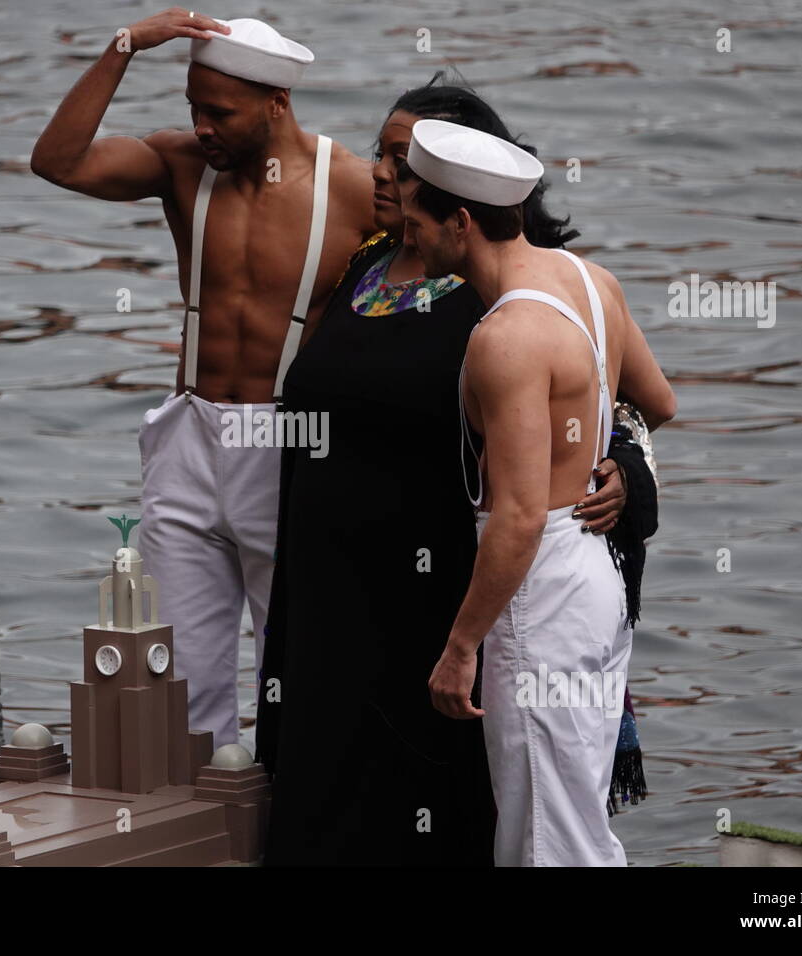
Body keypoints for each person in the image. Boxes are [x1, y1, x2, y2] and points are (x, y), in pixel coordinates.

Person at [254, 78, 630, 866]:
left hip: (456, 589)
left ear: (459, 210)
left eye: (405, 164)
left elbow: (607, 402)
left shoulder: (512, 299)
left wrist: (624, 466)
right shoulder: (363, 263)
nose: (385, 176)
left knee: (513, 816)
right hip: (337, 596)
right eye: (383, 155)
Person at [30, 10, 376, 748]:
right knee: (178, 674)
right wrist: (124, 46)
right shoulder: (181, 164)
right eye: (193, 106)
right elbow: (57, 162)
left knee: (298, 666)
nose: (202, 125)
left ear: (276, 104)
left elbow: (466, 274)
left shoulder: (353, 189)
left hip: (290, 442)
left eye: (219, 111)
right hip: (188, 434)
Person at [405, 119, 677, 866]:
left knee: (546, 837)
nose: (412, 242)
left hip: (541, 588)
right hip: (599, 575)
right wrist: (615, 456)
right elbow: (659, 400)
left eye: (418, 225)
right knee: (575, 816)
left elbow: (519, 516)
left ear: (461, 222)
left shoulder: (507, 336)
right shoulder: (592, 282)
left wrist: (461, 649)